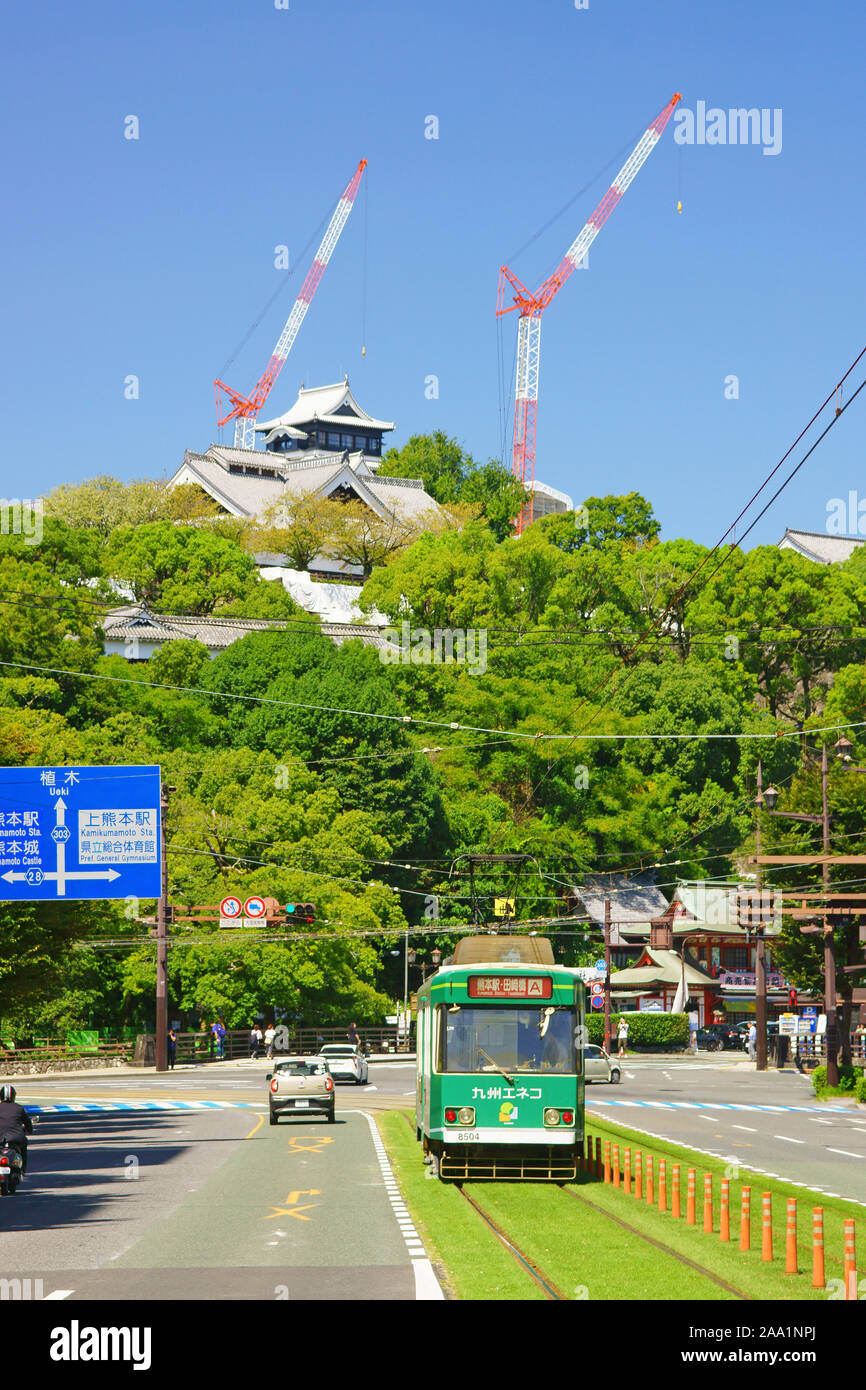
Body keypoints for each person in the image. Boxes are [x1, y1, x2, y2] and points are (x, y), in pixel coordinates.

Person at [0, 1084, 34, 1175]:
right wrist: (29, 1130)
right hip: (16, 1138)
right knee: (23, 1148)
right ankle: (22, 1169)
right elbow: (27, 1123)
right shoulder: (19, 1108)